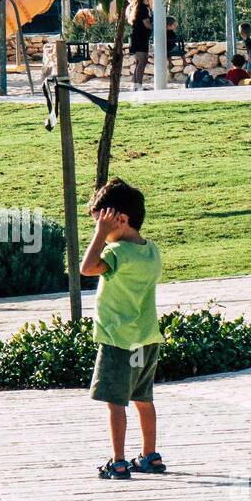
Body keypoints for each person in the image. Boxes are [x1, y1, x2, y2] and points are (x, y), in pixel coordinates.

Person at [79, 178, 166, 480]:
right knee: (143, 398)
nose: (101, 230)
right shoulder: (151, 251)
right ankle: (149, 455)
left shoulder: (116, 253)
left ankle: (118, 461)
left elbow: (86, 268)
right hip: (145, 341)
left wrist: (100, 235)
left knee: (116, 402)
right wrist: (105, 230)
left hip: (118, 341)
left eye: (103, 223)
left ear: (122, 220)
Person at [127, 0, 152, 90]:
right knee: (142, 61)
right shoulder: (142, 8)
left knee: (139, 62)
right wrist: (157, 27)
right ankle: (138, 85)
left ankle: (135, 85)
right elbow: (146, 23)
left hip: (142, 37)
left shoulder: (146, 7)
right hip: (139, 37)